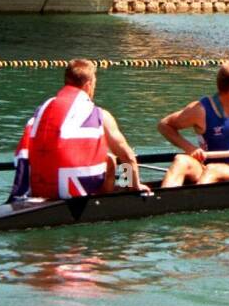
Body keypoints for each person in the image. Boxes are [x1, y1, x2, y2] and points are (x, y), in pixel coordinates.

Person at [9, 59, 148, 201]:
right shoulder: (100, 114)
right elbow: (127, 156)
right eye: (94, 84)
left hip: (39, 187)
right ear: (88, 85)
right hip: (74, 190)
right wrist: (134, 185)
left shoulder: (44, 108)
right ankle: (117, 191)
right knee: (111, 159)